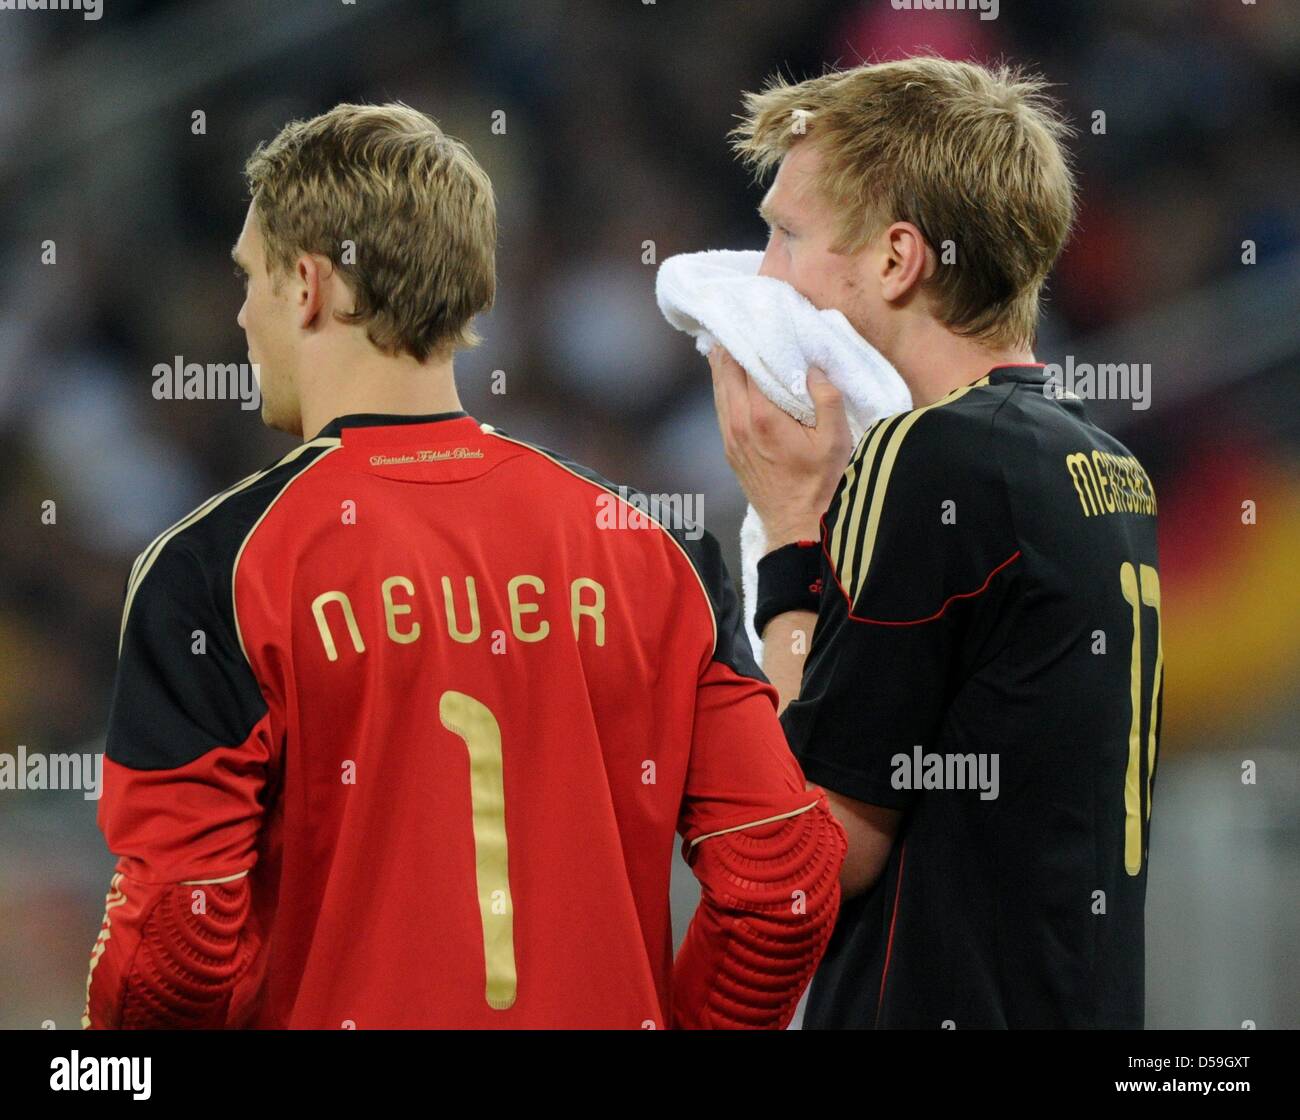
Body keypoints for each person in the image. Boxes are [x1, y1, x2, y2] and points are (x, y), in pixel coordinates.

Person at [83, 102, 845, 1029]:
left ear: (310, 286)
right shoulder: (655, 548)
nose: (241, 313)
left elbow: (176, 942)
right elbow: (781, 881)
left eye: (250, 276)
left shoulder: (219, 569)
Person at [709, 57, 1162, 1028]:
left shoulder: (929, 453)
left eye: (787, 234)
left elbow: (823, 842)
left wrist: (790, 534)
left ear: (895, 259)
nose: (763, 274)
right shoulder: (1103, 463)